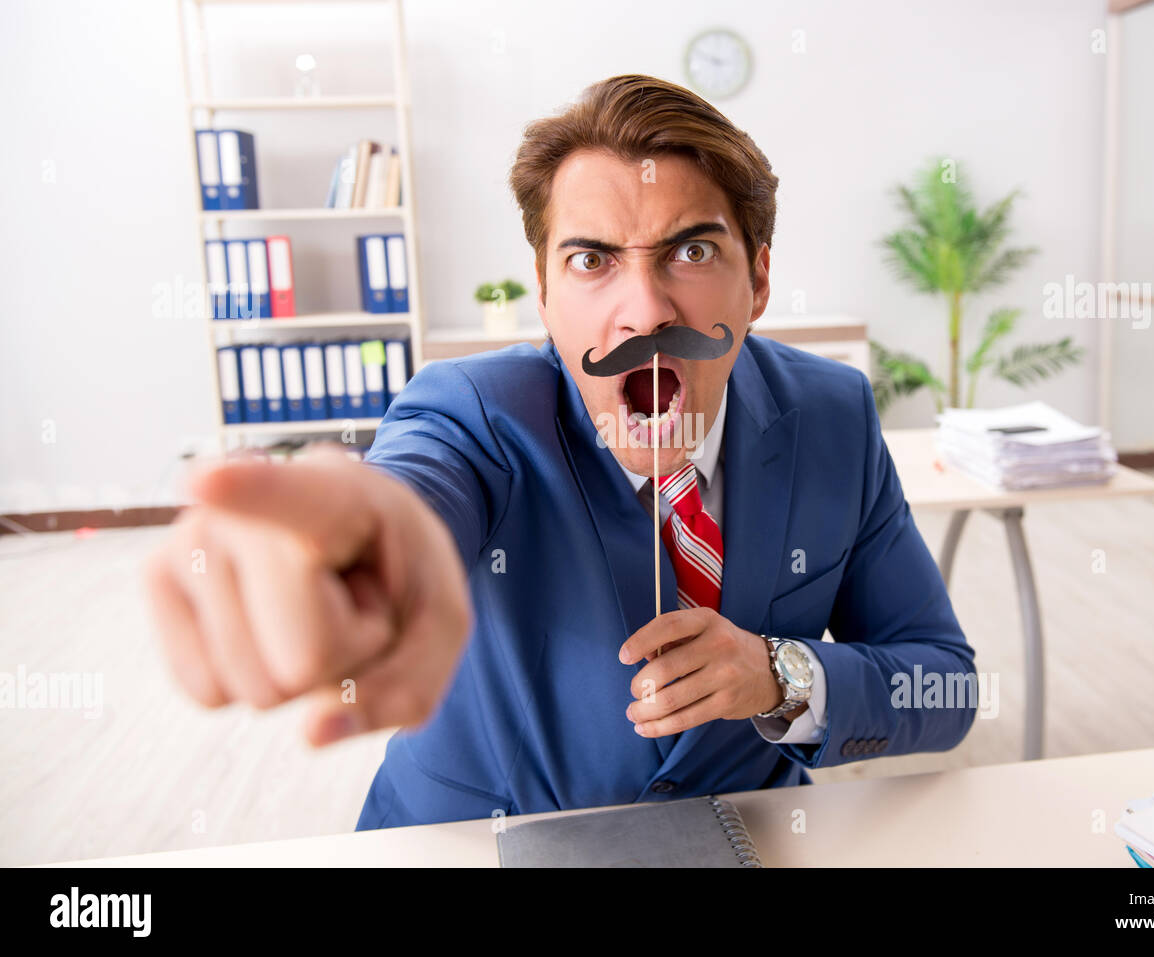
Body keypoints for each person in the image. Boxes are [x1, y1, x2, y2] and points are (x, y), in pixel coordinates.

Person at [145, 74, 977, 829]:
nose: (644, 312)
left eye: (691, 251)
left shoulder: (832, 415)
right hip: (473, 845)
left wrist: (779, 673)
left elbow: (944, 685)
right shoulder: (473, 411)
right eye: (591, 259)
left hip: (745, 842)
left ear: (758, 280)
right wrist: (359, 547)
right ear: (542, 291)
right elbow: (409, 497)